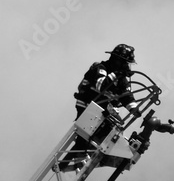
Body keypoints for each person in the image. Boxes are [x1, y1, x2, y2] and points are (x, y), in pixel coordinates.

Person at [57, 44, 137, 172]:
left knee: (115, 129)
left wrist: (134, 108)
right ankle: (78, 159)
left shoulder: (122, 79)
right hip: (87, 105)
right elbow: (101, 86)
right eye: (125, 63)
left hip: (104, 110)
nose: (127, 67)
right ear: (117, 60)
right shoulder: (100, 68)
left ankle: (102, 157)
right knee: (86, 132)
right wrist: (117, 74)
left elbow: (127, 96)